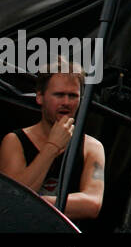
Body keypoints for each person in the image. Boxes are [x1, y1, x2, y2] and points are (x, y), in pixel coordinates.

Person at [1, 63, 106, 220]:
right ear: (40, 97)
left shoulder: (92, 147)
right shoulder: (15, 140)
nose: (66, 102)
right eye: (58, 95)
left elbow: (92, 203)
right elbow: (13, 199)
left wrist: (41, 202)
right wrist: (52, 147)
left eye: (73, 96)